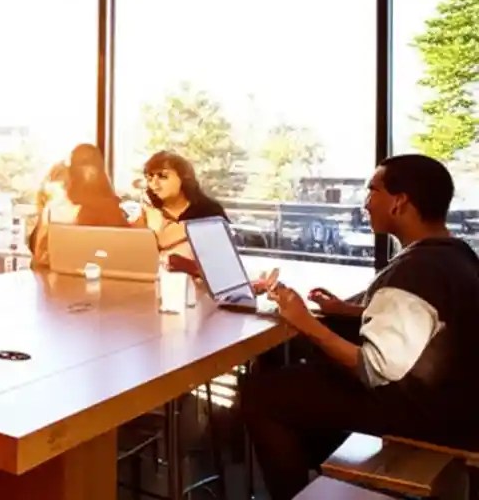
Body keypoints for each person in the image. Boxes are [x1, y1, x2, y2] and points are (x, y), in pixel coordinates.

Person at [240, 155, 479, 500]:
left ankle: (297, 492)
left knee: (262, 395)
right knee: (298, 370)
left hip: (432, 416)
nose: (366, 203)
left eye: (372, 190)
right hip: (458, 402)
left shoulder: (415, 271)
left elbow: (373, 369)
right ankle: (321, 464)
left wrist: (306, 323)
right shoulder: (455, 255)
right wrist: (346, 311)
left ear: (400, 202)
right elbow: (425, 321)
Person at [27, 145, 128, 265]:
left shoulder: (109, 207)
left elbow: (120, 251)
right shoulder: (55, 207)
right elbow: (39, 254)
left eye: (90, 163)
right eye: (81, 164)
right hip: (59, 275)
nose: (88, 171)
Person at [135, 151, 227, 274]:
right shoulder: (149, 210)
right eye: (150, 178)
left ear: (183, 178)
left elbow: (165, 240)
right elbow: (133, 246)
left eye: (163, 176)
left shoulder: (209, 210)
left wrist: (155, 220)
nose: (154, 184)